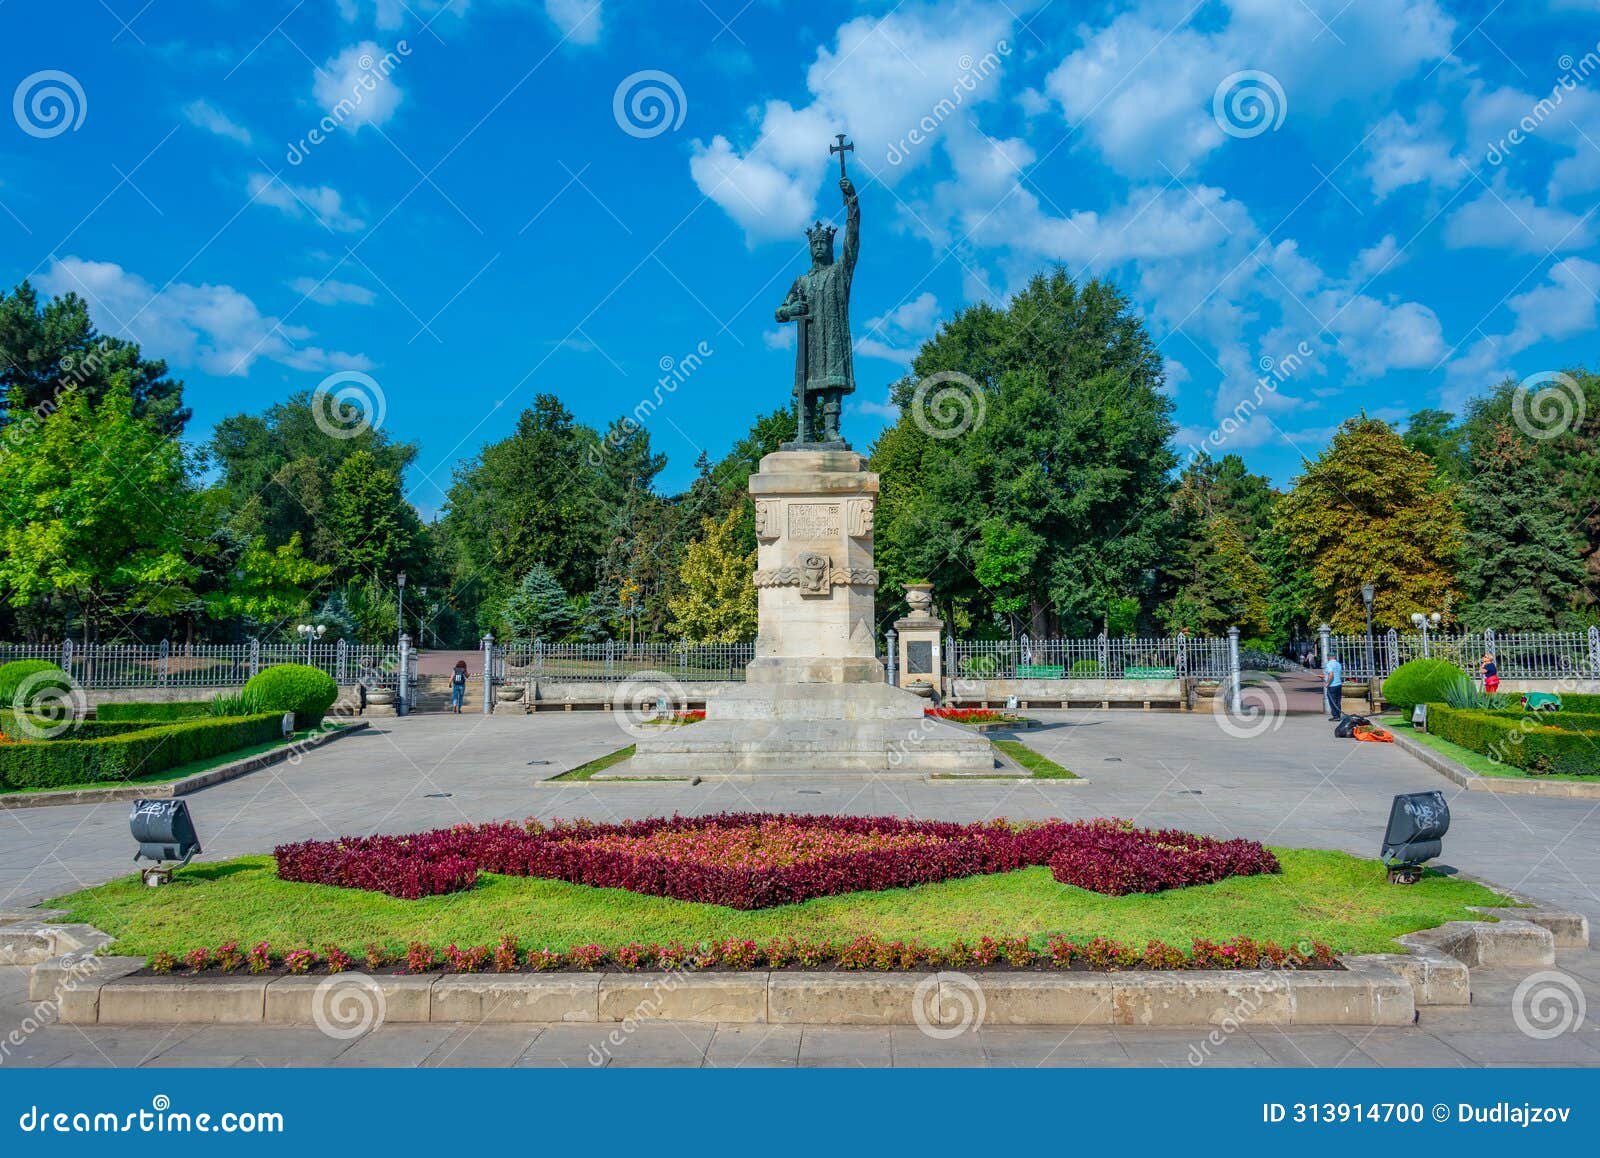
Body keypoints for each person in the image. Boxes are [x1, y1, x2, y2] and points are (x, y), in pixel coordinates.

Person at [1322, 651, 1343, 720]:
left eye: (1328, 657)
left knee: (1332, 701)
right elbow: (1335, 673)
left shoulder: (1329, 664)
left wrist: (1327, 683)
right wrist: (1323, 676)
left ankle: (1335, 716)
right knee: (1338, 701)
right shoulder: (1338, 664)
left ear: (1329, 657)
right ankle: (1338, 715)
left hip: (1332, 686)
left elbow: (1331, 674)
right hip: (1339, 684)